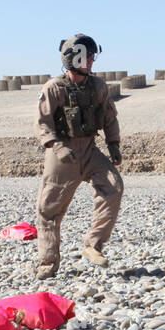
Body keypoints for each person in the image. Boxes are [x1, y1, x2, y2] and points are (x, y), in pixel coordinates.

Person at [33, 33, 123, 279]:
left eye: (93, 56)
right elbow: (42, 123)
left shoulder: (98, 87)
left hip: (89, 150)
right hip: (61, 154)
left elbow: (109, 117)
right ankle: (48, 263)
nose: (92, 61)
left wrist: (113, 145)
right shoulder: (54, 88)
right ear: (74, 59)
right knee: (49, 209)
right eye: (89, 57)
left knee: (113, 187)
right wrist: (56, 146)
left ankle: (93, 245)